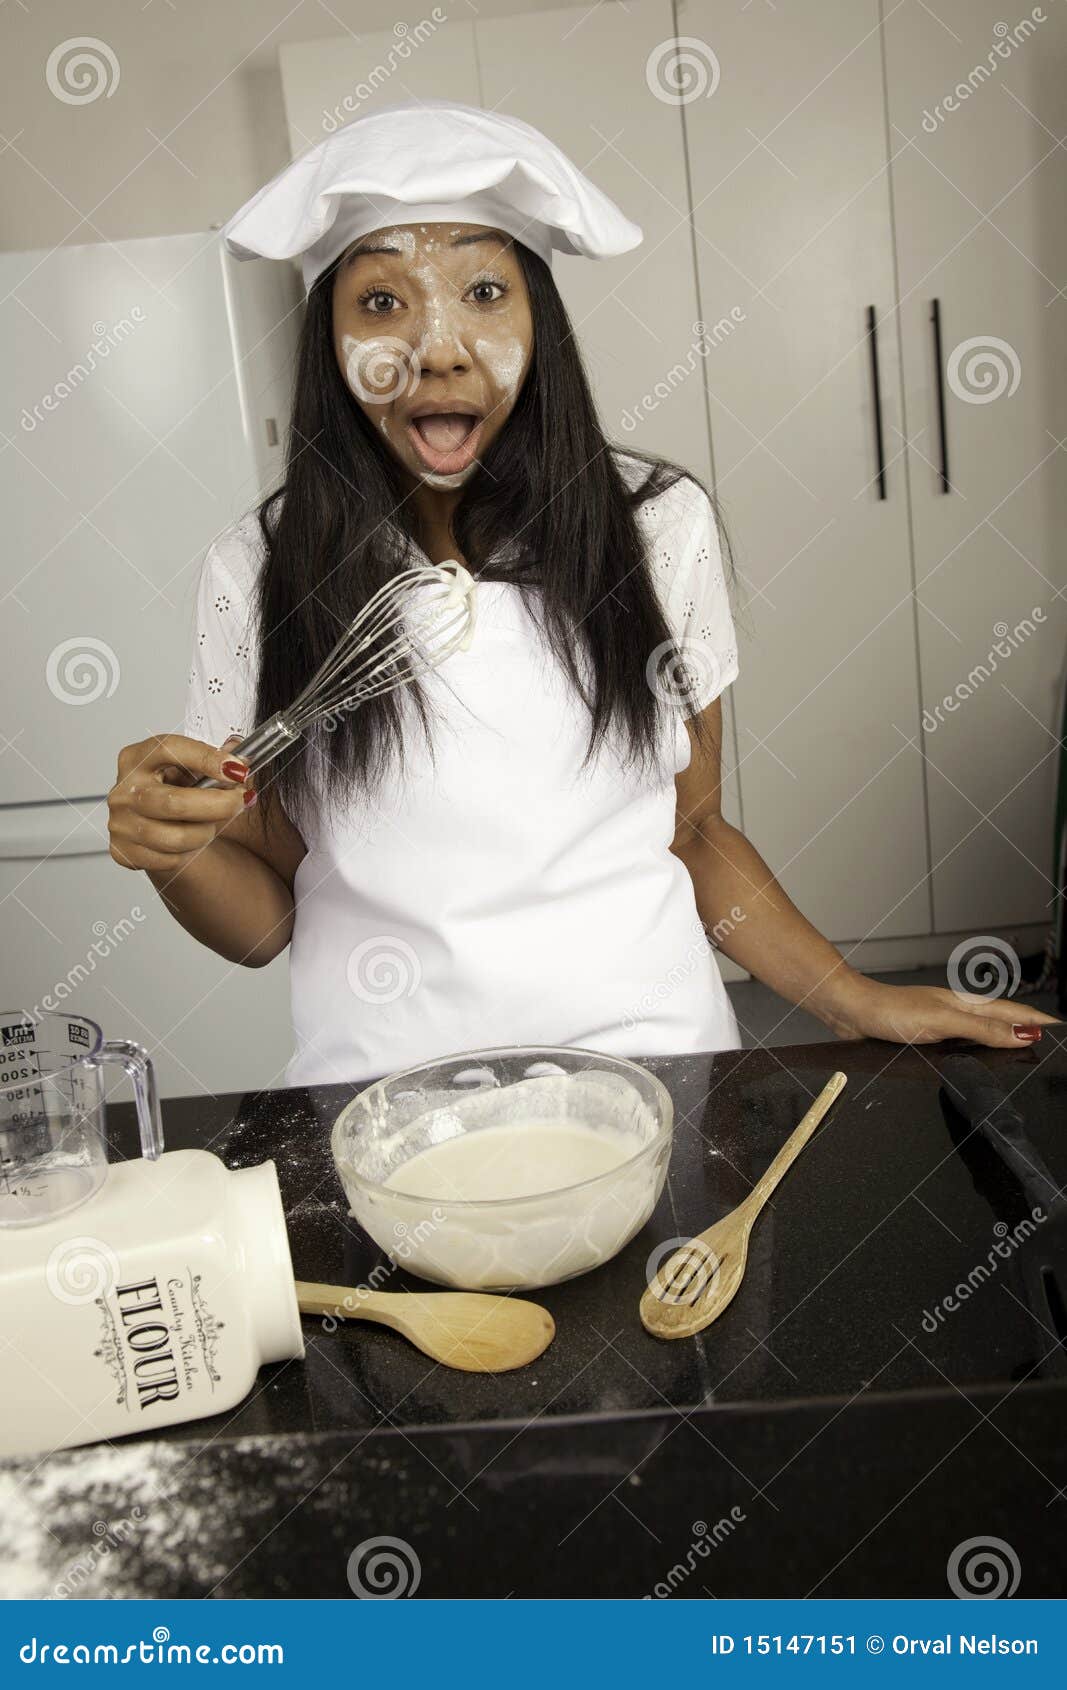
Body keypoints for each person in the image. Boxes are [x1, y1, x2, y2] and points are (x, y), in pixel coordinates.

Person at [107, 100, 1054, 1086]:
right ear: (327, 344)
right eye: (381, 302)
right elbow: (268, 922)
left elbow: (689, 830)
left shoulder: (654, 527)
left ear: (537, 322)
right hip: (387, 1106)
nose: (438, 347)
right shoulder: (256, 570)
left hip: (653, 1082)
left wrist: (851, 997)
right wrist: (168, 851)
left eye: (482, 289)